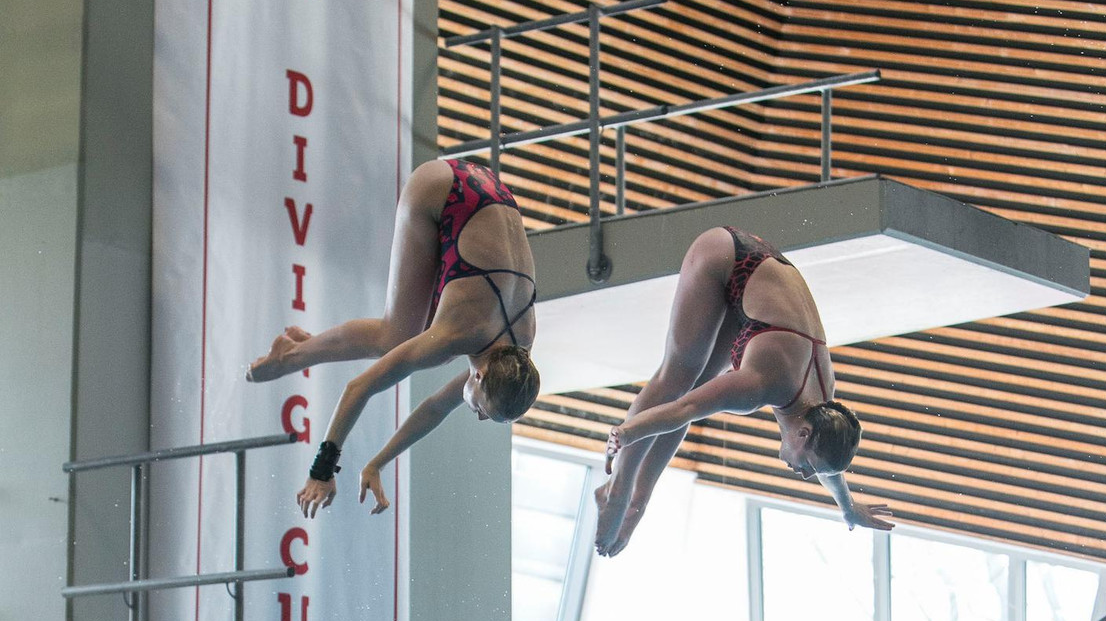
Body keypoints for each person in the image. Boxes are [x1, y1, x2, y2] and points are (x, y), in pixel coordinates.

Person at [246, 157, 540, 517]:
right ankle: (291, 355)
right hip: (438, 190)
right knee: (395, 338)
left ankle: (298, 348)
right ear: (478, 376)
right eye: (481, 410)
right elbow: (359, 387)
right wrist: (321, 471)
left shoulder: (518, 347)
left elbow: (435, 408)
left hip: (484, 185)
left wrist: (377, 463)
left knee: (412, 336)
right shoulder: (456, 334)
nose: (476, 415)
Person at [594, 225, 894, 555]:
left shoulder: (823, 411)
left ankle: (639, 498)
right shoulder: (764, 385)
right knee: (677, 379)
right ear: (803, 435)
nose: (806, 475)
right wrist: (625, 433)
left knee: (697, 388)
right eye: (809, 467)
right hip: (726, 255)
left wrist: (848, 507)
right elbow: (683, 408)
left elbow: (828, 468)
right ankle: (619, 490)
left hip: (762, 289)